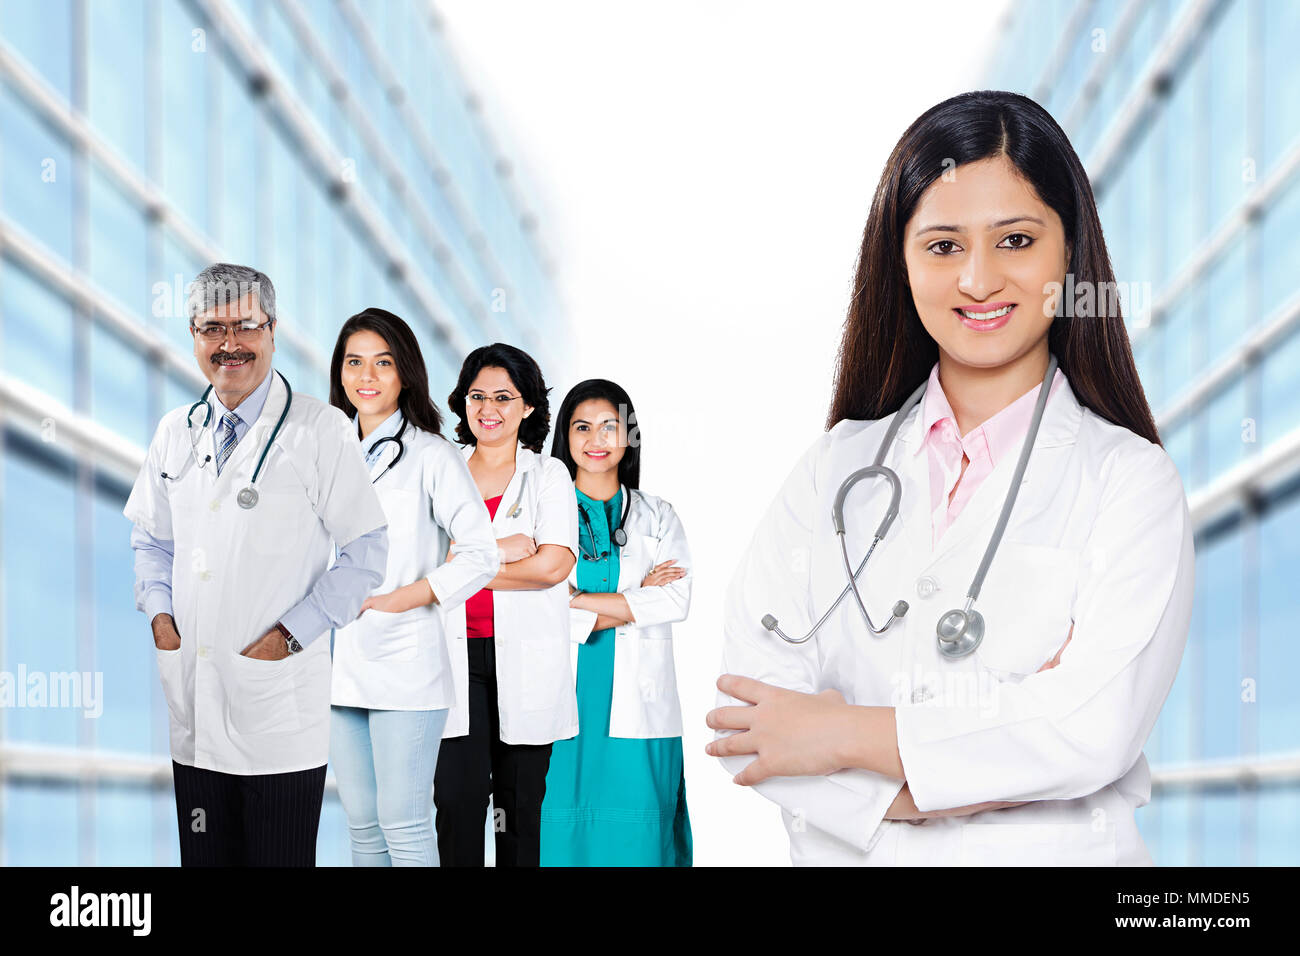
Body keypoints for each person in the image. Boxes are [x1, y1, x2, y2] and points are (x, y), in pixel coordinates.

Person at [706, 90, 1195, 866]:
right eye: (941, 246)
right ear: (899, 262)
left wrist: (843, 736)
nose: (978, 279)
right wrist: (993, 772)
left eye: (1016, 240)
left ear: (1070, 255)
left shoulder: (1129, 482)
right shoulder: (835, 470)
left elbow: (1091, 729)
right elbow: (746, 718)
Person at [125, 263, 388, 866]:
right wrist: (163, 623)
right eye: (212, 328)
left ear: (272, 329)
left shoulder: (319, 430)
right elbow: (152, 543)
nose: (229, 344)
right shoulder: (175, 432)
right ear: (192, 334)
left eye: (245, 326)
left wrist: (291, 637)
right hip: (193, 706)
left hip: (278, 715)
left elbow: (367, 551)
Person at [327, 308, 499, 866]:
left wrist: (403, 598)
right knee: (362, 827)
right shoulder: (328, 451)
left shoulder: (430, 454)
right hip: (339, 664)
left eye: (383, 363)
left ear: (404, 373)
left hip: (405, 663)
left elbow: (481, 553)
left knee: (403, 824)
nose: (367, 376)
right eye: (355, 363)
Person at [432, 343, 579, 866]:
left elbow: (554, 567)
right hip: (453, 661)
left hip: (525, 660)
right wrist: (509, 550)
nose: (487, 409)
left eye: (503, 397)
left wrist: (468, 564)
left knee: (518, 810)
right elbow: (424, 564)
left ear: (528, 407)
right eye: (476, 396)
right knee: (455, 800)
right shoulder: (440, 469)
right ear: (462, 402)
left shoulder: (548, 476)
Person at [540, 380, 694, 866]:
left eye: (610, 427)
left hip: (639, 706)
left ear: (628, 437)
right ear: (565, 437)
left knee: (640, 841)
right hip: (562, 701)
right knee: (557, 833)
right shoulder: (542, 512)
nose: (596, 439)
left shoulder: (657, 515)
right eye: (582, 427)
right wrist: (634, 599)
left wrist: (580, 600)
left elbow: (675, 598)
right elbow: (538, 605)